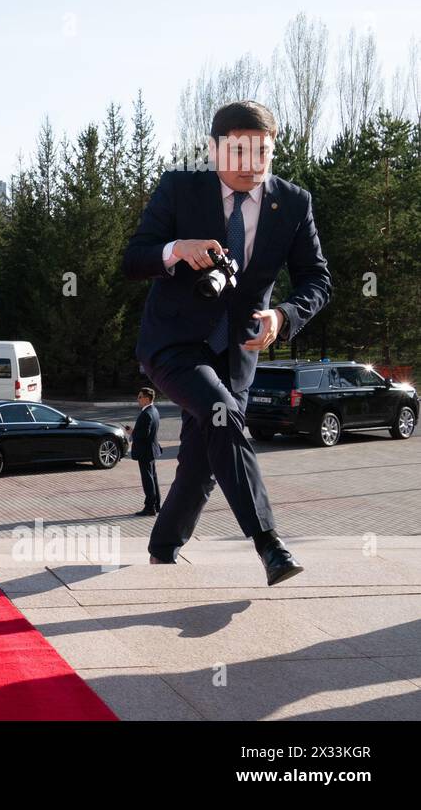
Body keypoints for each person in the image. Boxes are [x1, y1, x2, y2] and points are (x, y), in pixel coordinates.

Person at [122, 100, 331, 584]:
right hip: (172, 344)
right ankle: (270, 545)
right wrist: (176, 251)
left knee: (201, 462)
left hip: (238, 353)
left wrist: (283, 315)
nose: (251, 164)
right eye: (238, 152)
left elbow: (317, 280)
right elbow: (134, 259)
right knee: (224, 414)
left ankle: (163, 549)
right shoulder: (179, 188)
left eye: (262, 152)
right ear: (213, 150)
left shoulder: (293, 203)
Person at [129, 387, 163, 516]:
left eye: (140, 397)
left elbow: (144, 434)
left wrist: (132, 433)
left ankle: (150, 507)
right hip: (151, 450)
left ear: (147, 399)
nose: (138, 399)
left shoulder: (147, 414)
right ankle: (156, 505)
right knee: (153, 477)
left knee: (147, 479)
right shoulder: (154, 411)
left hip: (145, 451)